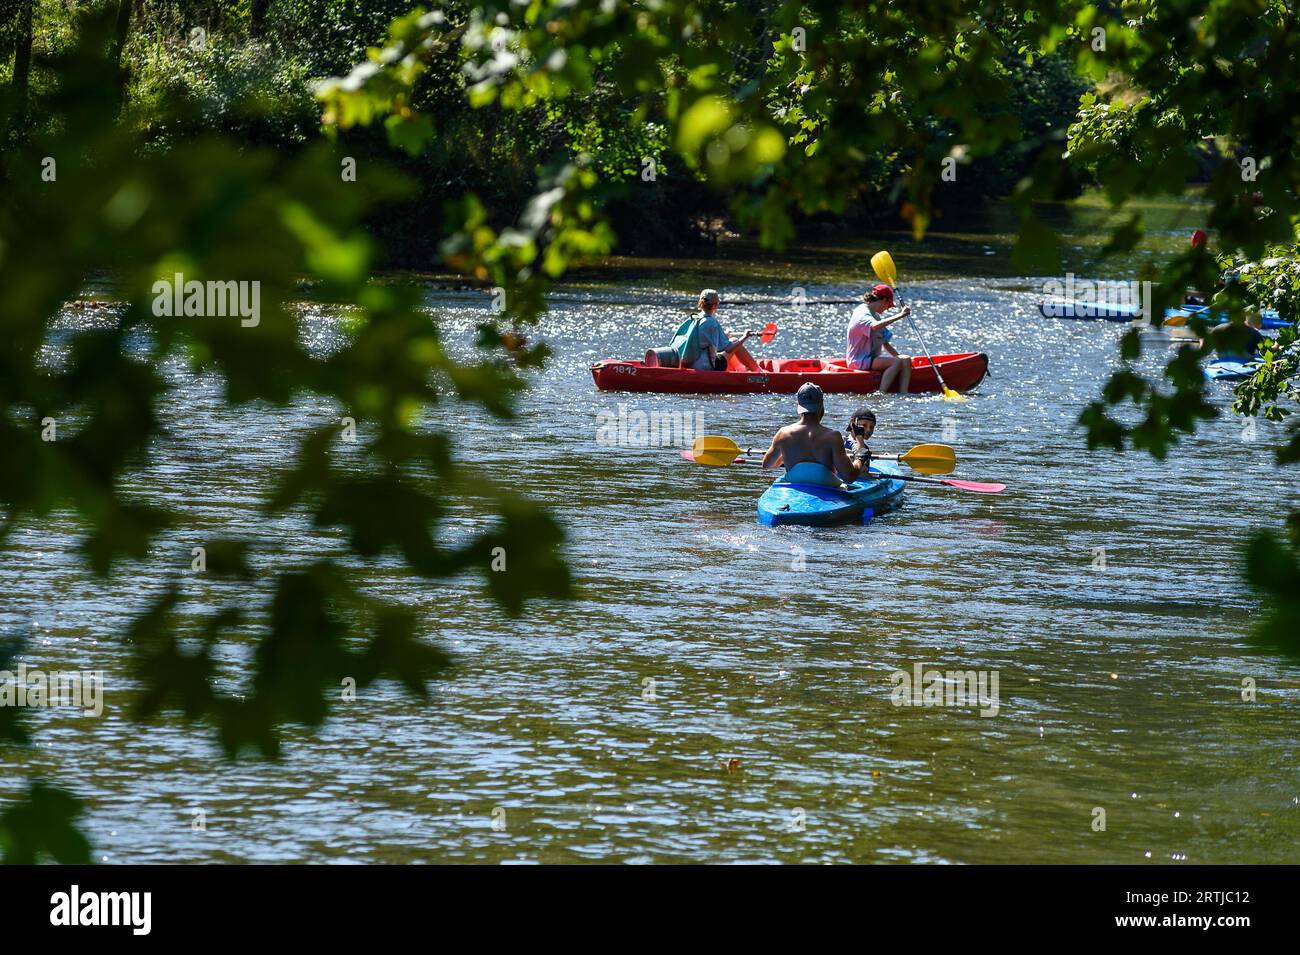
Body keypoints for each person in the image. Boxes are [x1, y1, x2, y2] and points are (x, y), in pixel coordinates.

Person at [761, 383, 865, 487]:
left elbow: (767, 465)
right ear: (821, 405)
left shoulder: (783, 434)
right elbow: (849, 477)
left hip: (795, 487)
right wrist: (860, 458)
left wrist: (786, 454)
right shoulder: (833, 437)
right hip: (826, 488)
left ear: (798, 405)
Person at [846, 284, 913, 393]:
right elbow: (875, 326)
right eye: (889, 305)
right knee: (895, 362)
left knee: (905, 359)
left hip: (871, 360)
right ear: (884, 300)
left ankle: (904, 393)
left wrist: (904, 363)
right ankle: (881, 393)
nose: (888, 308)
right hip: (858, 361)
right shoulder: (862, 313)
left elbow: (885, 343)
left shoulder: (876, 316)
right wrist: (900, 315)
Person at [692, 289, 759, 372]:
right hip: (708, 366)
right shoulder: (712, 322)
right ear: (715, 305)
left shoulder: (694, 318)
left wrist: (724, 336)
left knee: (731, 341)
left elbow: (705, 340)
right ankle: (758, 372)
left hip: (693, 363)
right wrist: (745, 336)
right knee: (734, 340)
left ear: (700, 302)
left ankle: (746, 368)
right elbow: (729, 349)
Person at [844, 407, 877, 472]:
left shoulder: (843, 440)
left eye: (871, 427)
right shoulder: (857, 446)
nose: (868, 430)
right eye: (864, 425)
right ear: (853, 423)